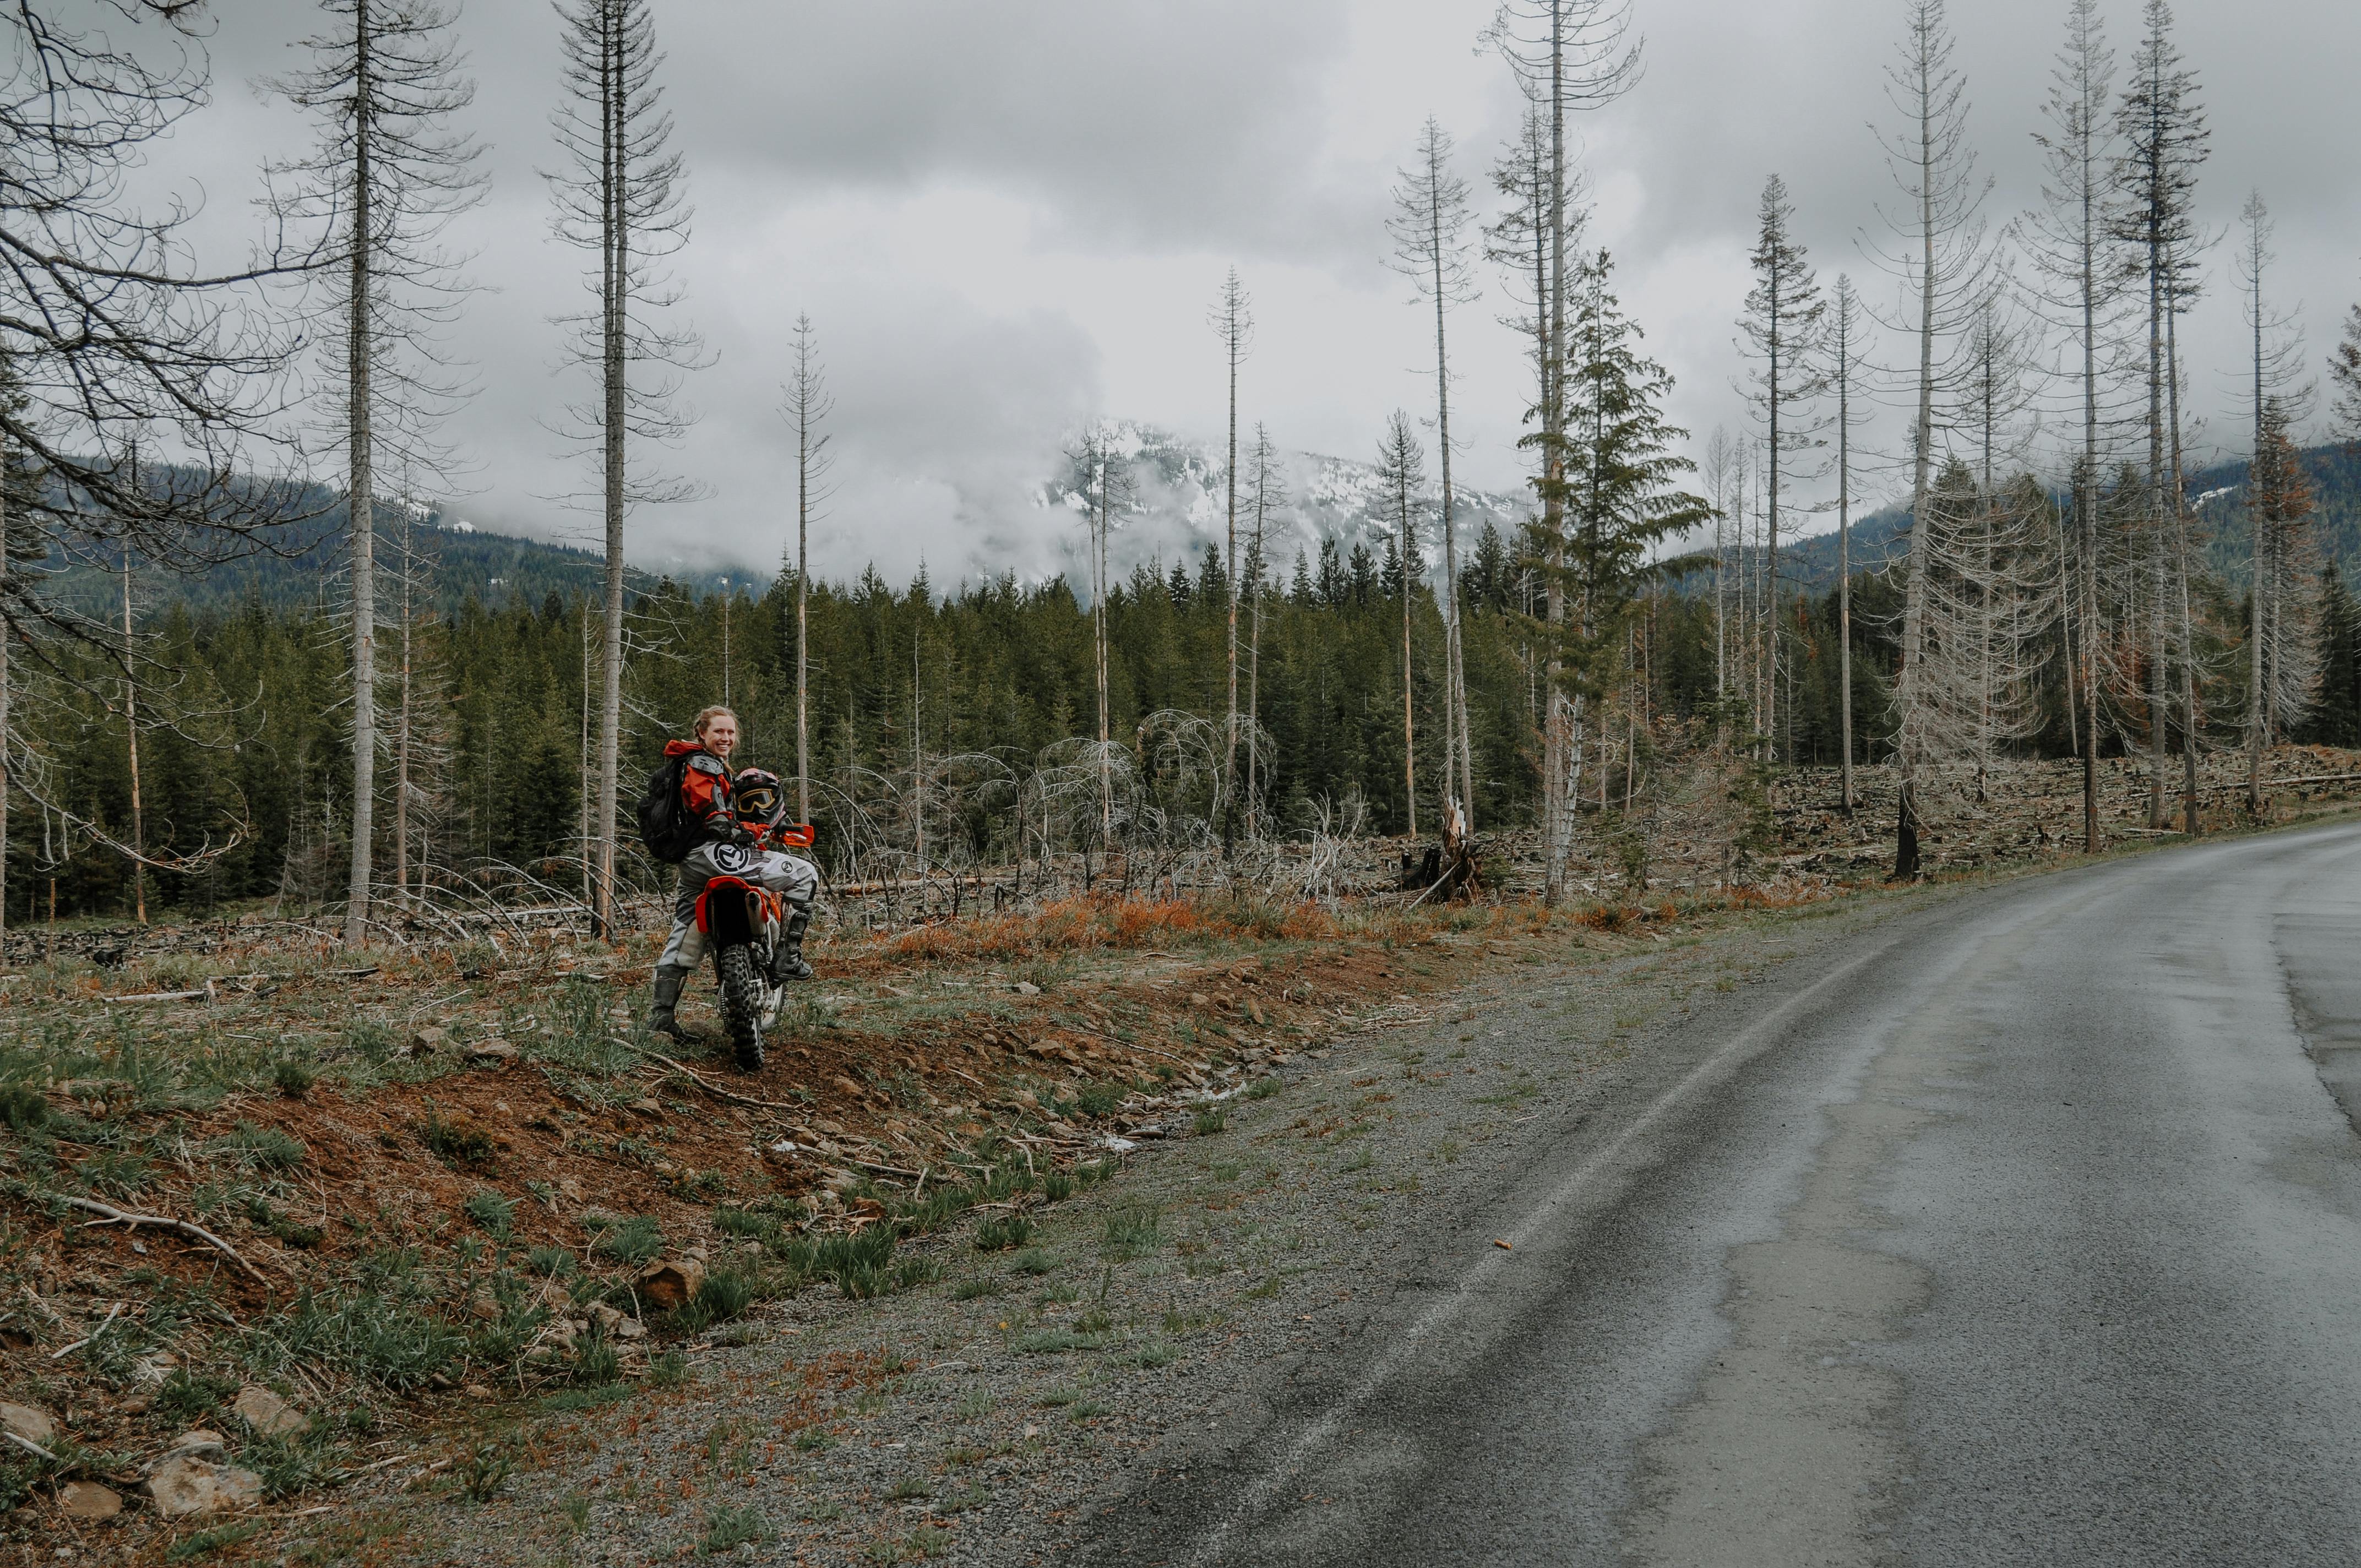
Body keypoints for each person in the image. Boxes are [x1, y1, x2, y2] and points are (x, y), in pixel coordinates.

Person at [643, 709, 819, 1041]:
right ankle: (788, 958)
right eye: (719, 732)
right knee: (805, 875)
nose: (725, 738)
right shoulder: (702, 765)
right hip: (715, 855)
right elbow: (711, 809)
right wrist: (737, 829)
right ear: (701, 733)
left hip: (692, 863)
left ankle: (661, 1019)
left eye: (731, 733)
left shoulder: (693, 764)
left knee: (685, 931)